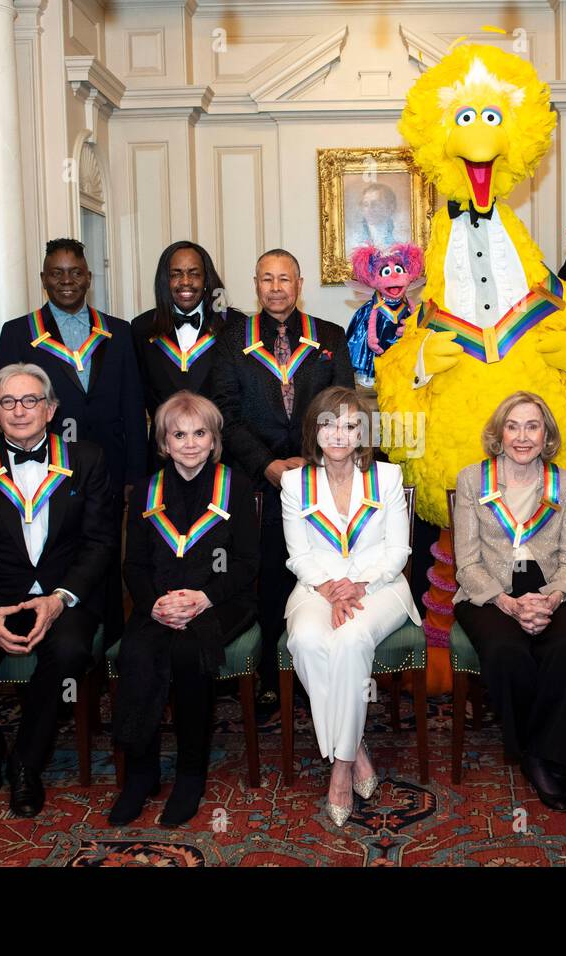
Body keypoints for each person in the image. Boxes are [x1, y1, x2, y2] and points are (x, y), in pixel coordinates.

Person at [0, 363, 116, 818]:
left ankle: (26, 763)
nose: (20, 411)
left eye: (31, 400)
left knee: (71, 651)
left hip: (62, 596)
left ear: (51, 409)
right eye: (7, 402)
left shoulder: (88, 460)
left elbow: (100, 544)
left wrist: (59, 599)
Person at [209, 249, 354, 709]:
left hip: (322, 476)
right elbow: (225, 415)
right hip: (260, 483)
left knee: (327, 569)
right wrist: (267, 466)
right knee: (270, 576)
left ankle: (333, 665)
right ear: (256, 284)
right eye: (267, 279)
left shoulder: (329, 335)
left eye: (284, 279)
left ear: (300, 283)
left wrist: (314, 461)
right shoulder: (233, 340)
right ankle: (273, 673)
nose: (276, 287)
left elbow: (342, 406)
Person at [108, 391, 259, 828]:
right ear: (163, 443)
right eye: (179, 434)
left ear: (214, 440)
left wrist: (204, 598)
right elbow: (132, 563)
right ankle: (142, 774)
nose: (190, 443)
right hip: (158, 601)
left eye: (200, 434)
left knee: (188, 655)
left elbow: (249, 563)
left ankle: (191, 774)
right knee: (136, 653)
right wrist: (154, 602)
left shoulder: (237, 486)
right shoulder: (145, 492)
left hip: (222, 600)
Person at [0, 238, 145, 648]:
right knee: (56, 549)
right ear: (43, 279)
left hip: (110, 467)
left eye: (75, 272)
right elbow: (4, 405)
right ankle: (53, 639)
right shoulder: (17, 333)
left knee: (105, 550)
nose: (67, 281)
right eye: (57, 273)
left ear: (88, 278)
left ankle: (111, 643)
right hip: (45, 467)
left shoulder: (118, 330)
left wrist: (136, 471)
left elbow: (133, 405)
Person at [280, 387, 417, 825]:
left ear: (364, 433)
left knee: (352, 637)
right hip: (315, 586)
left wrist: (357, 584)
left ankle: (339, 770)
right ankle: (355, 748)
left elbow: (398, 550)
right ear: (313, 429)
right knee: (306, 639)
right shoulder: (293, 482)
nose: (339, 433)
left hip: (381, 587)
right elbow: (298, 555)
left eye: (350, 425)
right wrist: (330, 588)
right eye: (328, 423)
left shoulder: (388, 477)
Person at [452, 392, 566, 813]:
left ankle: (546, 752)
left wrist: (548, 600)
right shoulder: (470, 479)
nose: (522, 436)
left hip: (551, 585)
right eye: (513, 426)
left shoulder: (563, 482)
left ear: (546, 433)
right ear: (499, 432)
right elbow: (467, 562)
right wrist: (510, 605)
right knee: (507, 651)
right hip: (488, 588)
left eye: (532, 426)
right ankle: (541, 753)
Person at [131, 242, 248, 470]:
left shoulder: (235, 325)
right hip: (162, 459)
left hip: (223, 458)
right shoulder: (141, 328)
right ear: (165, 281)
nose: (185, 281)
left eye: (194, 274)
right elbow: (135, 401)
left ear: (207, 280)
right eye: (176, 274)